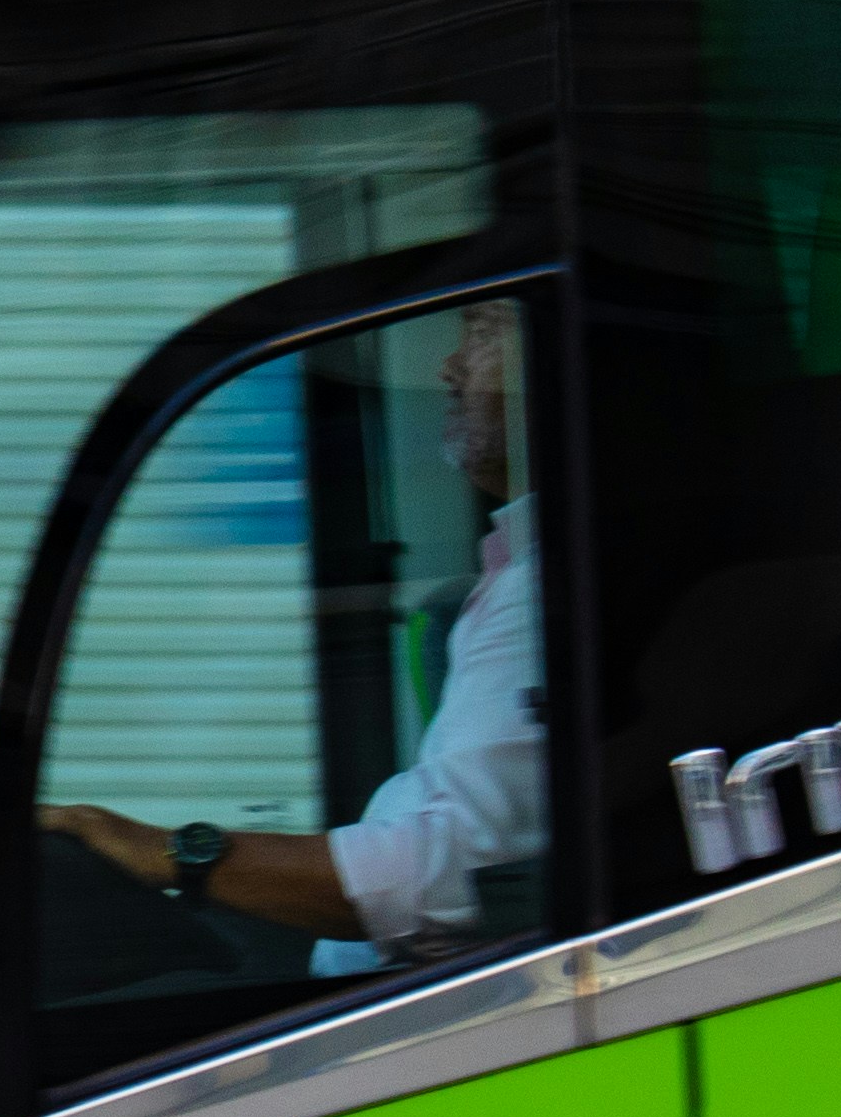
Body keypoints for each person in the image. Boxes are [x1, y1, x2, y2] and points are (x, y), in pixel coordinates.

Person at [40, 298, 540, 947]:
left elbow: (445, 878)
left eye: (481, 332)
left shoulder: (540, 597)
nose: (449, 369)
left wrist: (165, 852)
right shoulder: (516, 577)